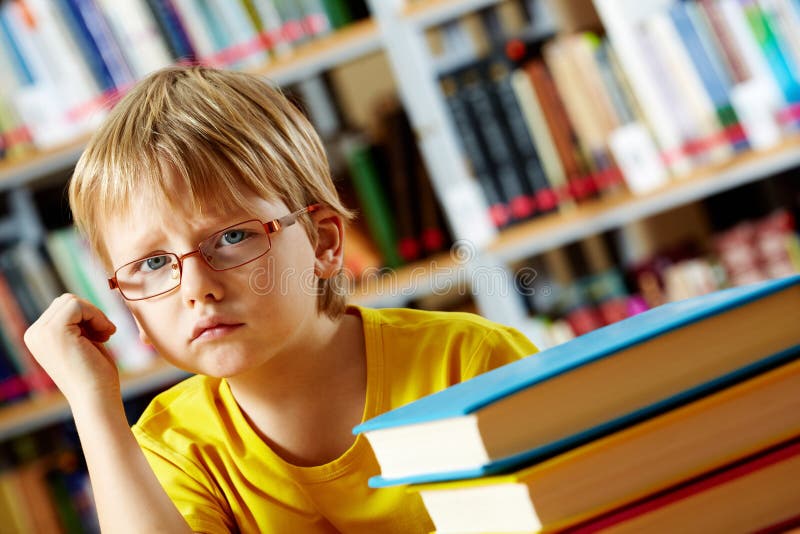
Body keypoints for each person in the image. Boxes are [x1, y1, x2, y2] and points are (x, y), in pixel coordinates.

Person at [24, 66, 537, 533]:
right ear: (129, 305)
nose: (197, 287)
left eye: (232, 237)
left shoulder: (468, 363)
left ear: (324, 243)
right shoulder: (174, 448)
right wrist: (93, 406)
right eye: (152, 264)